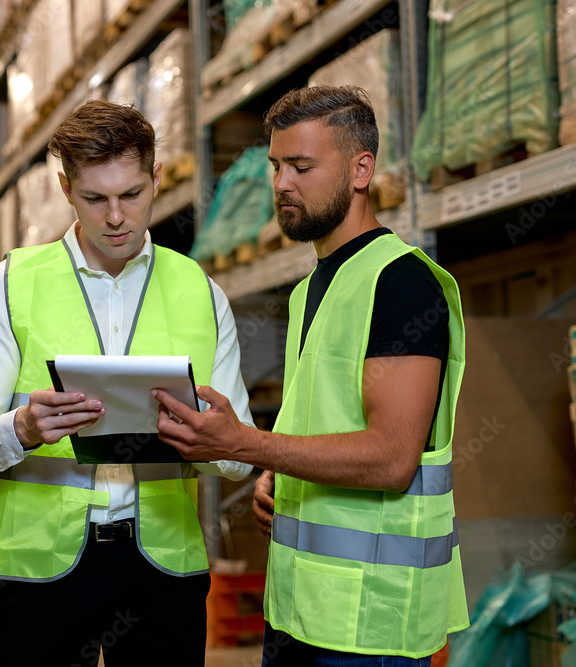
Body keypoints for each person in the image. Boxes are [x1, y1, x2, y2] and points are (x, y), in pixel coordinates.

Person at [152, 86, 468, 666]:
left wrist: (248, 445)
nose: (280, 184)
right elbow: (323, 421)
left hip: (372, 627)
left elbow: (393, 457)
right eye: (275, 166)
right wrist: (279, 476)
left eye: (301, 166)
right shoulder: (310, 290)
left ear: (360, 170)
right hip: (300, 611)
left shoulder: (399, 283)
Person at [0, 99, 255, 667]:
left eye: (132, 194)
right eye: (95, 198)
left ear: (157, 178)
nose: (116, 217)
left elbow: (240, 456)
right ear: (66, 188)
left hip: (162, 568)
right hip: (42, 572)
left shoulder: (202, 293)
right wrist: (21, 428)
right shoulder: (11, 284)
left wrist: (213, 440)